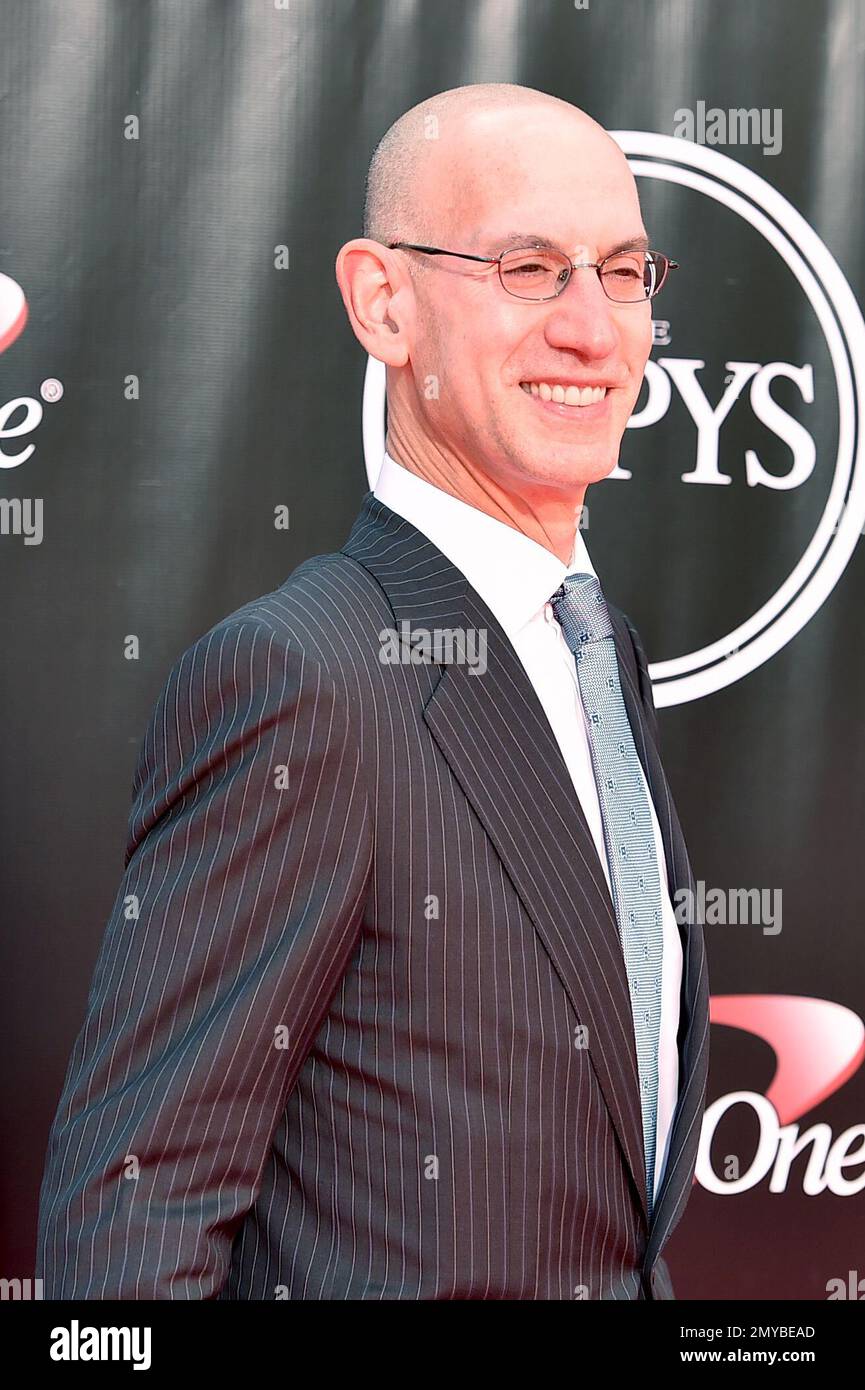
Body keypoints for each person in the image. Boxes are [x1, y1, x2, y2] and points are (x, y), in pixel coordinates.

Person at [37, 82, 709, 1300]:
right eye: (525, 267)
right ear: (382, 302)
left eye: (621, 272)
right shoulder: (305, 678)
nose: (591, 329)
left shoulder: (601, 653)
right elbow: (132, 1220)